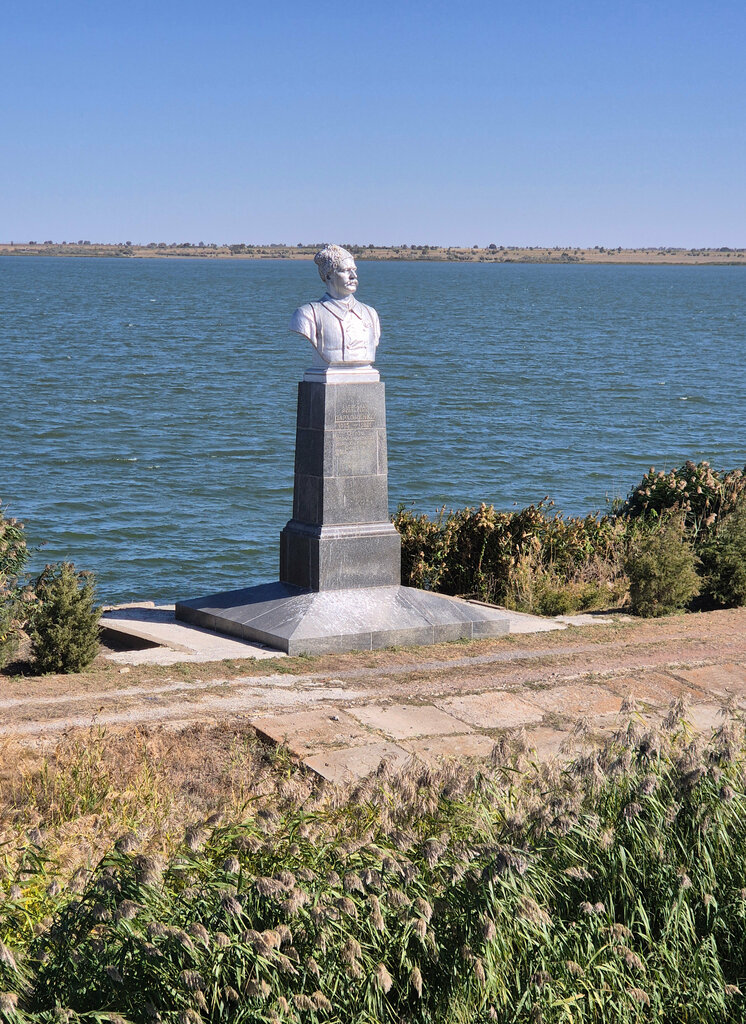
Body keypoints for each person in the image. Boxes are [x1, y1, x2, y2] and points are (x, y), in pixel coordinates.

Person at [289, 244, 380, 366]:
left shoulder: (370, 313)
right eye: (346, 270)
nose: (354, 276)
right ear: (328, 275)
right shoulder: (307, 314)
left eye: (354, 270)